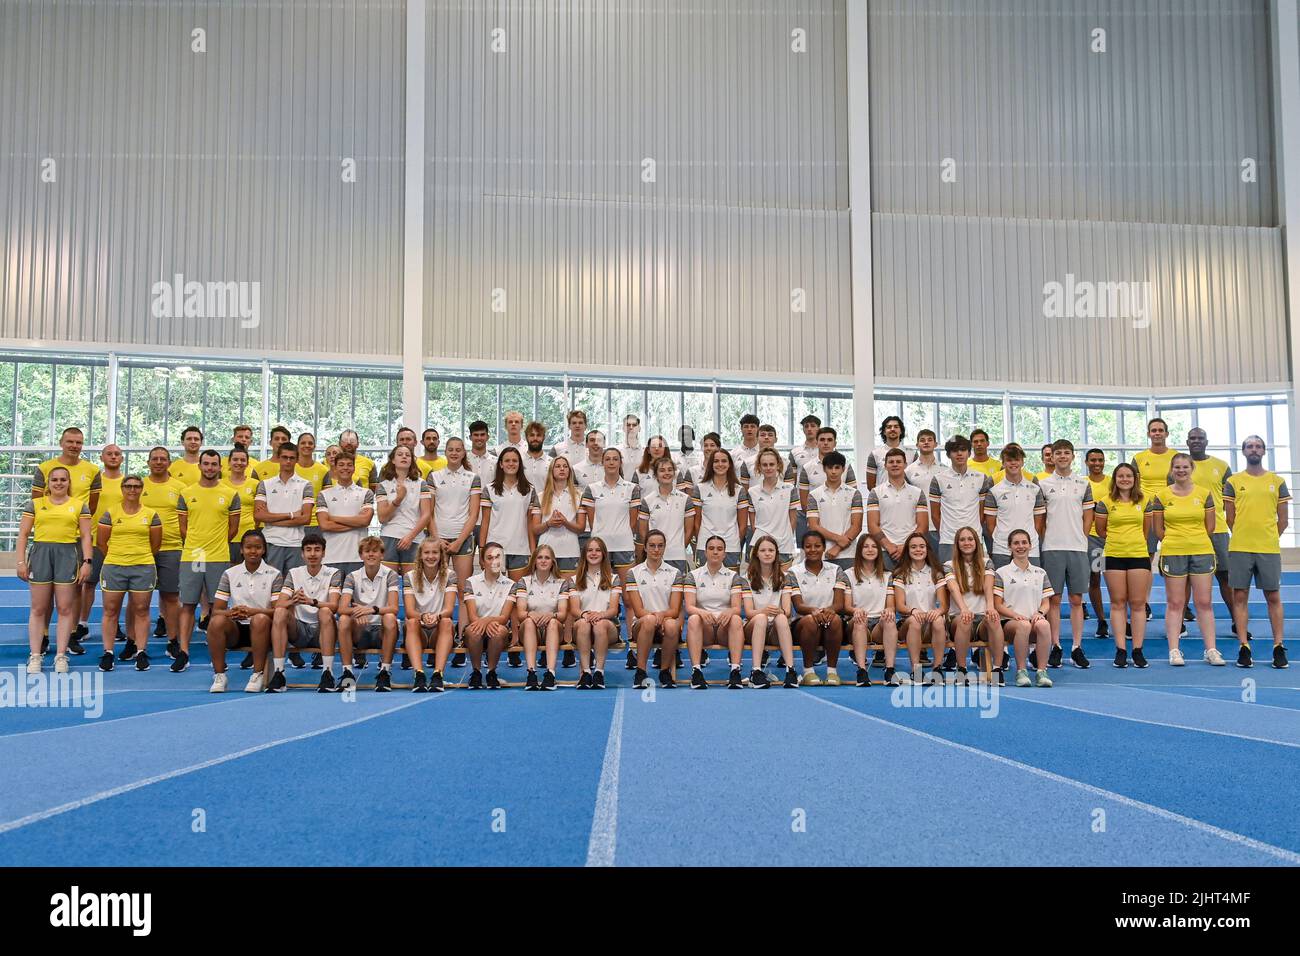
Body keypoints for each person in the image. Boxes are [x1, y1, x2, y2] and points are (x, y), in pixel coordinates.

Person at [32, 425, 101, 654]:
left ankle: (71, 634)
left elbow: (92, 505)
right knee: (46, 594)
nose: (74, 446)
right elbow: (36, 505)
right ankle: (42, 636)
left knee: (75, 591)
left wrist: (75, 521)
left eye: (79, 442)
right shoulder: (45, 468)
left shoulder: (92, 470)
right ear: (61, 442)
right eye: (70, 441)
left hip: (75, 541)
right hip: (49, 541)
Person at [1223, 435, 1291, 669]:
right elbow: (1229, 518)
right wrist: (1244, 535)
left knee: (1273, 597)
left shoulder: (1277, 481)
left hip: (1268, 549)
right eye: (1250, 446)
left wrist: (1267, 538)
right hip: (1240, 548)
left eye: (1258, 446)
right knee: (1240, 597)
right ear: (1244, 451)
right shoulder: (1233, 481)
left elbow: (1283, 520)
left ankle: (1278, 646)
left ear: (1264, 451)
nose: (1254, 449)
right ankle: (1244, 646)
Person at [17, 466, 92, 675]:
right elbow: (23, 534)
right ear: (48, 483)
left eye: (63, 480)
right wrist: (21, 562)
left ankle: (61, 655)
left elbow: (86, 536)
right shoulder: (36, 504)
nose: (59, 483)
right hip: (41, 554)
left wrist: (87, 562)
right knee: (38, 608)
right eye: (55, 480)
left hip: (68, 555)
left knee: (65, 608)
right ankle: (35, 655)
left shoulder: (79, 505)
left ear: (69, 482)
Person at [1149, 452, 1222, 666]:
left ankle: (1211, 650)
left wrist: (1194, 539)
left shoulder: (1204, 493)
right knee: (1175, 602)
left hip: (1201, 550)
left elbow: (1210, 527)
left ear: (1192, 469)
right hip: (1173, 551)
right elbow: (1158, 529)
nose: (1181, 470)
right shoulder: (1161, 496)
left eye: (1185, 467)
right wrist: (1176, 540)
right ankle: (1174, 650)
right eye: (1177, 467)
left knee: (1204, 602)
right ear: (1172, 470)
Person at [173, 449, 240, 673]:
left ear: (220, 467)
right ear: (200, 466)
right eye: (206, 464)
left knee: (216, 607)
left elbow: (233, 529)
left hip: (218, 556)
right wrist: (197, 543)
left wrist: (216, 543)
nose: (210, 468)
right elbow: (183, 528)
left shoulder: (230, 494)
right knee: (188, 604)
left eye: (214, 464)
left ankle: (216, 653)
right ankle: (183, 652)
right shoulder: (186, 492)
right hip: (193, 554)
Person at [1037, 439, 1094, 669]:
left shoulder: (1083, 483)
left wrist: (1082, 536)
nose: (1062, 456)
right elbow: (1040, 520)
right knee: (1054, 600)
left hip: (1077, 547)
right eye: (1058, 453)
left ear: (1072, 456)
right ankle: (1056, 646)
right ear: (1052, 457)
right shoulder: (1043, 484)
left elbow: (1088, 515)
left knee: (1076, 599)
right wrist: (1046, 539)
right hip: (1052, 547)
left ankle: (1076, 647)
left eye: (1066, 453)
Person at [97, 475, 162, 671]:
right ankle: (108, 652)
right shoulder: (110, 513)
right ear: (122, 488)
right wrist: (118, 557)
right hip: (114, 566)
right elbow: (101, 542)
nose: (132, 490)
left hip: (143, 566)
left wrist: (138, 557)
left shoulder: (151, 514)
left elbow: (156, 544)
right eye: (128, 486)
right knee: (110, 610)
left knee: (141, 610)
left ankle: (141, 651)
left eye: (136, 486)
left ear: (141, 489)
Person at [206, 530, 283, 693]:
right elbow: (217, 610)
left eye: (258, 547)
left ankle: (257, 673)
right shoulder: (229, 573)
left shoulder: (274, 574)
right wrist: (232, 613)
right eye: (248, 547)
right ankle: (219, 675)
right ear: (241, 549)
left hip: (264, 628)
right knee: (216, 622)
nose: (253, 551)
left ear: (264, 550)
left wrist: (251, 612)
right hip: (237, 628)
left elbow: (278, 610)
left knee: (260, 619)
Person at [1092, 463, 1152, 668]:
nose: (1124, 479)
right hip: (1113, 556)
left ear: (1134, 479)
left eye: (1128, 476)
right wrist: (1119, 541)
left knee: (1137, 603)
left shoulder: (1144, 501)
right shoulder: (1105, 502)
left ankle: (1137, 649)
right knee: (1117, 602)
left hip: (1138, 555)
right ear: (1115, 479)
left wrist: (1132, 542)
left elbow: (1146, 530)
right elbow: (1101, 531)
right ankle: (1120, 649)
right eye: (1120, 476)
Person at [268, 532, 342, 693]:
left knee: (325, 611)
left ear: (323, 553)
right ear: (302, 554)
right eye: (308, 550)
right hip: (299, 630)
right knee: (280, 612)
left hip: (322, 630)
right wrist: (293, 600)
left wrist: (312, 601)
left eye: (317, 549)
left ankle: (327, 673)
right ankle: (279, 673)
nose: (313, 554)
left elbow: (335, 606)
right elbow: (280, 603)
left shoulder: (333, 573)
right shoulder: (294, 573)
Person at [336, 536, 402, 691]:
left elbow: (394, 608)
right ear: (361, 555)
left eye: (375, 551)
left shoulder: (390, 575)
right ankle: (347, 673)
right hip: (361, 629)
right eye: (367, 551)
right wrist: (357, 612)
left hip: (382, 631)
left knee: (390, 617)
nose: (371, 554)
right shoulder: (352, 576)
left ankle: (384, 672)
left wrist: (371, 609)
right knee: (344, 620)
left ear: (382, 555)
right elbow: (341, 608)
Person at [1185, 427, 1235, 630]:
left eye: (1200, 438)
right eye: (1192, 438)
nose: (1196, 441)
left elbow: (1231, 499)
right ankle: (1179, 623)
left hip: (1218, 530)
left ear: (1207, 441)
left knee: (1225, 576)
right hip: (1188, 531)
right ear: (1187, 442)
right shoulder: (1180, 466)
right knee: (1185, 578)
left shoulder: (1221, 466)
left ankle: (1236, 621)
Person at [993, 529, 1056, 687]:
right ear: (1010, 547)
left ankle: (1042, 672)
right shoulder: (1001, 572)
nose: (1020, 546)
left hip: (1032, 620)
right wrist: (1015, 615)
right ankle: (1021, 671)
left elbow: (1046, 602)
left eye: (1024, 542)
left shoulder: (1040, 572)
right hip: (1009, 622)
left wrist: (1040, 613)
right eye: (1016, 543)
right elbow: (997, 604)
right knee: (1023, 625)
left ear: (1030, 545)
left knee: (1044, 624)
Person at [623, 529, 685, 689]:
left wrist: (662, 616)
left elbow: (674, 610)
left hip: (666, 622)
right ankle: (641, 671)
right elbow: (638, 610)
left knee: (672, 624)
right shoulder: (633, 573)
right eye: (652, 545)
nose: (656, 550)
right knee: (649, 620)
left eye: (660, 546)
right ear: (644, 547)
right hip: (642, 624)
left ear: (665, 548)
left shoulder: (675, 573)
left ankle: (664, 672)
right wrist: (656, 618)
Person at [682, 535, 744, 690]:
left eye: (719, 549)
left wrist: (729, 612)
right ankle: (696, 672)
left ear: (724, 554)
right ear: (705, 552)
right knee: (693, 619)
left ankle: (735, 671)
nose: (715, 552)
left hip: (724, 628)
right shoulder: (693, 576)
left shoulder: (733, 576)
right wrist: (702, 613)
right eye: (711, 548)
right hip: (705, 628)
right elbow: (689, 607)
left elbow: (737, 607)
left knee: (736, 619)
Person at [789, 530, 849, 685]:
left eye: (817, 546)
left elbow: (839, 603)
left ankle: (832, 672)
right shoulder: (793, 572)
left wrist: (829, 610)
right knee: (810, 620)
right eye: (808, 546)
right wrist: (814, 611)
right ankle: (808, 672)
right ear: (803, 549)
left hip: (830, 618)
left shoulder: (836, 570)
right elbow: (798, 605)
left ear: (823, 548)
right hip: (804, 622)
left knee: (835, 619)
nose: (813, 550)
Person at [426, 437, 482, 604]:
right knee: (436, 588)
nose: (454, 453)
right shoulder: (434, 476)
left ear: (464, 452)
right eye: (451, 449)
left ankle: (462, 629)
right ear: (445, 452)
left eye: (458, 450)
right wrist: (436, 538)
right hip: (438, 538)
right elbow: (428, 512)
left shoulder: (473, 478)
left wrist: (459, 541)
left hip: (462, 539)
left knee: (463, 589)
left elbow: (474, 514)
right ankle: (438, 627)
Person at [944, 526, 1002, 685]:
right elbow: (953, 588)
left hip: (981, 619)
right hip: (959, 617)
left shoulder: (987, 562)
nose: (966, 542)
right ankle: (961, 669)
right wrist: (964, 609)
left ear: (976, 542)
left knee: (994, 619)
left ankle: (997, 669)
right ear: (957, 544)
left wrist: (990, 607)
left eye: (970, 539)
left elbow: (988, 587)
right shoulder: (949, 565)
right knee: (965, 620)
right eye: (962, 540)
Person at [141, 447, 187, 649]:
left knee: (171, 597)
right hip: (141, 549)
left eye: (163, 459)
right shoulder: (138, 485)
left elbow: (187, 517)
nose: (159, 462)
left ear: (169, 463)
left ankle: (173, 640)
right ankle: (134, 643)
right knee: (138, 599)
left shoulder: (180, 487)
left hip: (171, 547)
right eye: (155, 459)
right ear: (148, 462)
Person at [890, 531, 948, 685]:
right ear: (908, 551)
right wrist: (913, 611)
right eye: (913, 547)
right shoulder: (900, 573)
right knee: (915, 621)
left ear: (927, 549)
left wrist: (936, 612)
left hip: (929, 623)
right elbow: (900, 606)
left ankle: (937, 669)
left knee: (938, 621)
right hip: (908, 623)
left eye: (922, 546)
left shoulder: (936, 573)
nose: (918, 550)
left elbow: (943, 605)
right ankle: (916, 670)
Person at [742, 535, 797, 688]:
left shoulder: (786, 577)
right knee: (760, 618)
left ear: (776, 553)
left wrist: (779, 611)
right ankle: (756, 671)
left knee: (781, 618)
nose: (767, 553)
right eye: (763, 550)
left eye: (771, 550)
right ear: (756, 554)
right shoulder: (746, 578)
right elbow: (748, 612)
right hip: (753, 625)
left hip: (775, 629)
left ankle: (790, 670)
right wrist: (764, 611)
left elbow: (787, 611)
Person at [514, 544, 572, 691]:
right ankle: (531, 673)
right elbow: (520, 613)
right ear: (534, 561)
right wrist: (530, 614)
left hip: (552, 629)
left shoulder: (561, 583)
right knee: (527, 622)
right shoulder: (524, 581)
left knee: (553, 622)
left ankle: (550, 674)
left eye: (547, 557)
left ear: (553, 561)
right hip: (530, 628)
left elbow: (563, 614)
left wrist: (551, 615)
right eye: (540, 557)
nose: (543, 561)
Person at [480, 447, 537, 591]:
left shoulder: (529, 490)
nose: (511, 464)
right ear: (500, 464)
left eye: (514, 461)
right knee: (495, 593)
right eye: (507, 461)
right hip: (495, 548)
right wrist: (482, 549)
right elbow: (485, 521)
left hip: (521, 549)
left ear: (519, 464)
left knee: (518, 593)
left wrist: (533, 551)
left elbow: (530, 523)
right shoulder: (489, 489)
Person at [404, 538, 457, 692]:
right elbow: (409, 611)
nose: (431, 556)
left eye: (435, 552)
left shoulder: (450, 575)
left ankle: (437, 674)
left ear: (441, 555)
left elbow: (449, 609)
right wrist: (423, 616)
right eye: (427, 552)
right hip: (419, 629)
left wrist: (437, 616)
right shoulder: (410, 576)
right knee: (411, 621)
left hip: (438, 629)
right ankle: (419, 674)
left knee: (446, 621)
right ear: (420, 555)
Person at [82, 443, 124, 642]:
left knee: (119, 587)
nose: (113, 457)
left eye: (117, 454)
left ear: (122, 459)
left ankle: (115, 625)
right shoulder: (94, 481)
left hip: (120, 542)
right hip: (95, 540)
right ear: (102, 457)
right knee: (89, 584)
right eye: (109, 454)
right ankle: (82, 623)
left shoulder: (129, 483)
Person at [929, 434, 992, 565]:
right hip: (948, 540)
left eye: (963, 450)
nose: (959, 454)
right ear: (948, 455)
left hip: (974, 540)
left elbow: (982, 513)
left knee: (975, 581)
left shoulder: (981, 478)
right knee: (948, 581)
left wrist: (972, 532)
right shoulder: (938, 479)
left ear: (969, 453)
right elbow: (935, 515)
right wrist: (946, 532)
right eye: (954, 450)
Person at [253, 441, 315, 574]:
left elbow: (306, 519)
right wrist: (291, 515)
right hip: (271, 542)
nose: (288, 461)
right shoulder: (265, 484)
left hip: (296, 543)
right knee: (271, 587)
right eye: (284, 457)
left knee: (293, 588)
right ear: (278, 458)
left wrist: (270, 518)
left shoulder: (306, 485)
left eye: (292, 458)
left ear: (297, 460)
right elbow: (258, 516)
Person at [462, 541, 517, 689]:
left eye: (498, 557)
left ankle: (491, 672)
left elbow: (504, 617)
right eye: (489, 557)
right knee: (474, 631)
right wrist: (485, 622)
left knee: (498, 631)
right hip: (476, 624)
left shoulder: (511, 584)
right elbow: (472, 615)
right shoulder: (471, 582)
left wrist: (487, 620)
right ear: (482, 561)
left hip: (498, 627)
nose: (494, 561)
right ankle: (476, 672)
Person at [314, 451, 376, 583]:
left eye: (349, 465)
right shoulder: (324, 494)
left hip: (358, 558)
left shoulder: (366, 493)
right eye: (341, 465)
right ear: (335, 468)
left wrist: (333, 518)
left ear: (354, 468)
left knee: (355, 602)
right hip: (331, 557)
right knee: (333, 601)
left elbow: (365, 521)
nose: (345, 468)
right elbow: (325, 525)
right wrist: (356, 522)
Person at [843, 535, 897, 687]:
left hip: (879, 624)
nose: (870, 549)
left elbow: (891, 606)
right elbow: (845, 606)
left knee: (890, 619)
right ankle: (861, 670)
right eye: (866, 546)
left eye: (874, 546)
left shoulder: (887, 576)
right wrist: (856, 610)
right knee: (860, 621)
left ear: (879, 551)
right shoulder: (848, 574)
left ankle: (890, 670)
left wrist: (888, 611)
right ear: (859, 550)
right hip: (858, 620)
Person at [570, 536, 622, 690]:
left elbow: (613, 610)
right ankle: (586, 673)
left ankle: (599, 672)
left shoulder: (614, 578)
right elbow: (574, 609)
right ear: (584, 554)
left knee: (599, 625)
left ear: (604, 554)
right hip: (583, 624)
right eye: (590, 550)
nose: (594, 553)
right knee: (584, 624)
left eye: (598, 550)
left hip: (608, 626)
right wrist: (586, 615)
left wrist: (599, 615)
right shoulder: (574, 579)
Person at [982, 444, 1046, 567]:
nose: (1013, 463)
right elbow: (990, 525)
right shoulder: (994, 491)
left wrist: (1028, 541)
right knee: (1003, 586)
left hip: (1030, 550)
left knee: (1032, 586)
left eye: (1016, 460)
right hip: (1002, 550)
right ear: (1003, 463)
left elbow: (1039, 523)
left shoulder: (1035, 489)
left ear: (1022, 462)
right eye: (1009, 460)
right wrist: (1001, 540)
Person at [581, 448, 641, 579]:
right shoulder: (591, 488)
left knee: (628, 594)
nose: (611, 462)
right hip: (600, 546)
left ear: (620, 463)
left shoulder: (632, 488)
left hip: (624, 545)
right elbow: (592, 522)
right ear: (602, 463)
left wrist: (620, 534)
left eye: (615, 459)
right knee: (602, 591)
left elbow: (633, 522)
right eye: (607, 459)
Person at [866, 448, 928, 570]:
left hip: (911, 551)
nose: (895, 464)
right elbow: (872, 525)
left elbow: (923, 525)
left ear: (905, 465)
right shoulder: (875, 492)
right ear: (885, 465)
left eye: (898, 461)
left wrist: (906, 546)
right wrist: (889, 546)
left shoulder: (917, 492)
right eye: (891, 462)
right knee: (886, 589)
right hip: (885, 551)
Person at [637, 455, 698, 574]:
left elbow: (689, 530)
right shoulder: (647, 500)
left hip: (678, 557)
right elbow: (643, 530)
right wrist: (652, 549)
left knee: (677, 592)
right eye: (662, 470)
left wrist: (679, 548)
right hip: (655, 557)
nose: (667, 473)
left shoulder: (685, 499)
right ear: (655, 475)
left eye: (670, 470)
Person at [375, 444, 431, 573]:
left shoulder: (421, 483)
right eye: (400, 454)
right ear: (393, 460)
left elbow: (426, 515)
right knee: (390, 585)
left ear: (412, 460)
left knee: (412, 585)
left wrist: (410, 537)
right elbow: (382, 518)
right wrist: (398, 499)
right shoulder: (383, 485)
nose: (404, 457)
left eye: (408, 455)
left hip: (414, 538)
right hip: (389, 536)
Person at [806, 451, 863, 570]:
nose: (833, 471)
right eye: (830, 467)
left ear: (843, 469)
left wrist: (837, 547)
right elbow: (813, 526)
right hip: (823, 554)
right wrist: (839, 539)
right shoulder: (814, 495)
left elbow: (857, 526)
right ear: (824, 469)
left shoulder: (854, 493)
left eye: (837, 467)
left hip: (849, 554)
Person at [693, 449, 748, 570]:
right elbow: (696, 523)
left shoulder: (739, 490)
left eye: (724, 461)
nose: (720, 464)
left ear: (729, 465)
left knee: (731, 586)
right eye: (716, 461)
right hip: (705, 546)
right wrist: (703, 541)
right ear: (711, 464)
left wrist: (733, 541)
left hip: (731, 546)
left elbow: (743, 526)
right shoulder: (700, 488)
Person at [531, 456, 585, 577]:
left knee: (568, 592)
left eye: (565, 466)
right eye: (558, 466)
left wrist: (566, 523)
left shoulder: (579, 496)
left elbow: (581, 528)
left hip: (570, 552)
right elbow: (535, 529)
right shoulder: (540, 496)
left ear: (569, 472)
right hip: (545, 552)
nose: (562, 469)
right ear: (551, 470)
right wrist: (548, 524)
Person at [746, 448, 799, 566]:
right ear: (759, 467)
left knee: (782, 583)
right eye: (764, 465)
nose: (768, 467)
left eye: (772, 464)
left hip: (784, 546)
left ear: (778, 465)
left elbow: (793, 520)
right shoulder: (752, 492)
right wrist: (763, 543)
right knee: (759, 583)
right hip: (760, 545)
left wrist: (785, 537)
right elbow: (753, 523)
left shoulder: (790, 489)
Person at [1084, 448, 1111, 638]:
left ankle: (1123, 620)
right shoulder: (1081, 483)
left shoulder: (1112, 482)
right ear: (1086, 462)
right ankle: (1101, 620)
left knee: (1117, 580)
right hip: (1093, 539)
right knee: (1095, 578)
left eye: (1100, 460)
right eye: (1093, 460)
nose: (1096, 463)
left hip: (1115, 539)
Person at [222, 447, 257, 563]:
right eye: (235, 459)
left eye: (242, 460)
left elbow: (259, 511)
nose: (239, 463)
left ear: (247, 463)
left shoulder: (255, 484)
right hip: (225, 537)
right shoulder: (220, 484)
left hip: (248, 537)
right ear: (229, 462)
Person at [865, 415, 916, 489]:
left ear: (901, 431)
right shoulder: (875, 454)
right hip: (883, 498)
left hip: (907, 498)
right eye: (889, 427)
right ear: (884, 432)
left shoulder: (912, 454)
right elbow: (870, 486)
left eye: (896, 427)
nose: (892, 429)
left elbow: (916, 481)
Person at [293, 432, 329, 527]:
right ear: (297, 446)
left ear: (314, 447)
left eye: (310, 443)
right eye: (303, 443)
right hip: (293, 520)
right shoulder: (289, 467)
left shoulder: (323, 470)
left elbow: (327, 500)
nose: (307, 446)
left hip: (315, 523)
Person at [905, 429, 944, 496]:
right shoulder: (908, 471)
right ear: (917, 445)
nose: (926, 442)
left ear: (935, 444)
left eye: (930, 440)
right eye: (922, 440)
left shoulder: (945, 470)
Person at [520, 421, 553, 489]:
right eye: (532, 435)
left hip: (546, 499)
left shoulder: (551, 462)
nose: (535, 438)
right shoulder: (519, 461)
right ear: (526, 437)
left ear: (543, 437)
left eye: (538, 435)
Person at [616, 413, 643, 480]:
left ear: (639, 428)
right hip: (622, 489)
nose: (631, 427)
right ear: (623, 428)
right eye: (628, 425)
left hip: (643, 489)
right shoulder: (616, 450)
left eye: (634, 425)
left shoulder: (646, 451)